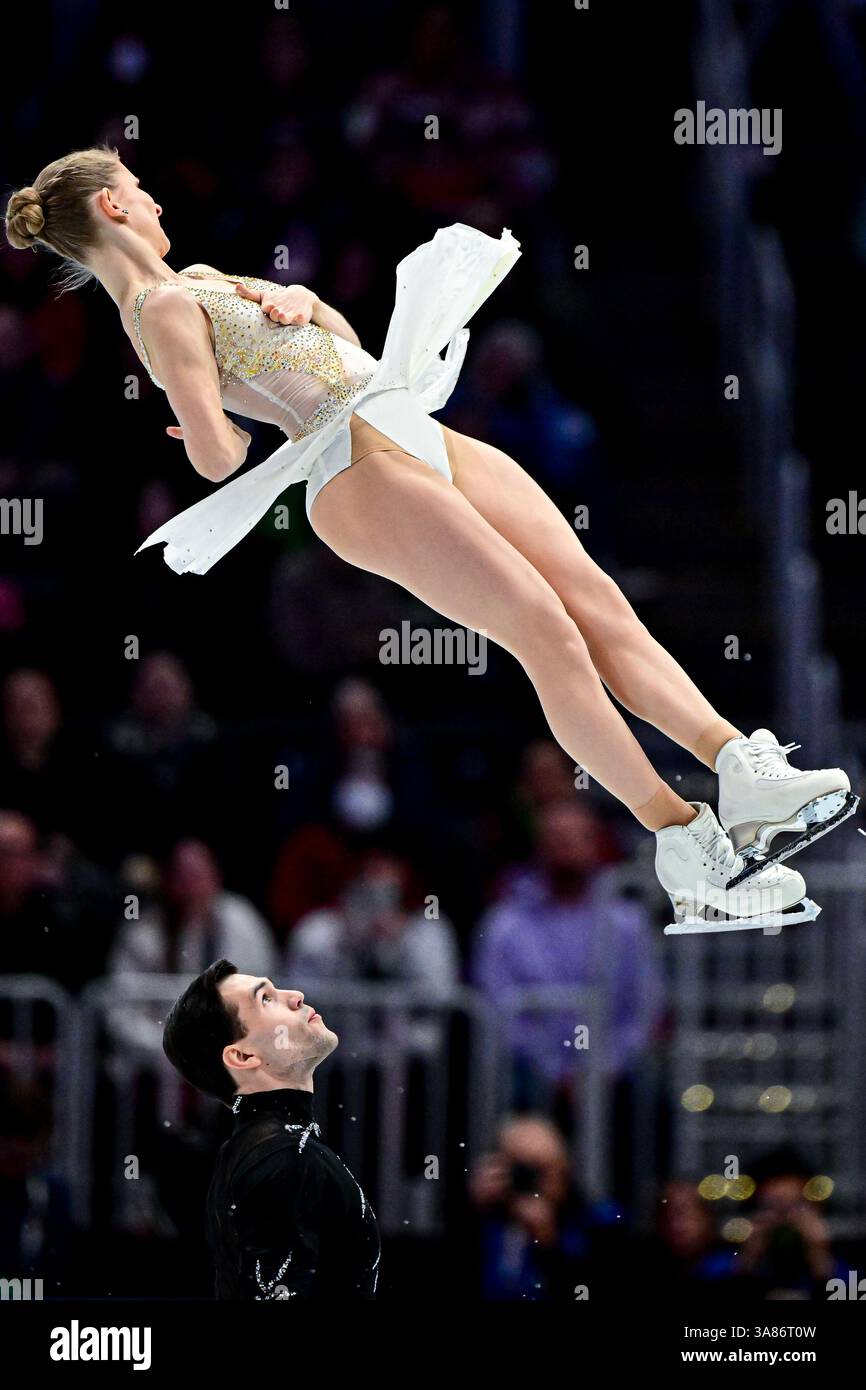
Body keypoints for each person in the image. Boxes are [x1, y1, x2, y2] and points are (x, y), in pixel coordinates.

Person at [5, 147, 857, 933]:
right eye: (142, 190)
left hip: (396, 411)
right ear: (114, 207)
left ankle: (742, 769)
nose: (154, 198)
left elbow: (337, 343)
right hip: (352, 466)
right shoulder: (157, 309)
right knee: (546, 632)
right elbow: (221, 456)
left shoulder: (191, 277)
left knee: (592, 597)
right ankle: (686, 845)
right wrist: (198, 431)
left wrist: (308, 305)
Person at [161, 959, 380, 1300]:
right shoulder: (283, 1156)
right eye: (266, 999)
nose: (295, 996)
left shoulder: (262, 1148)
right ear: (243, 1056)